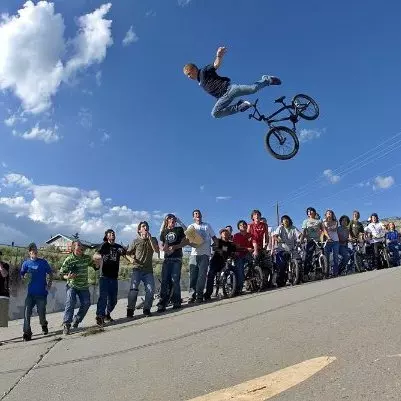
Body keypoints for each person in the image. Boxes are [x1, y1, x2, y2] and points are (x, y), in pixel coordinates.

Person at [183, 46, 281, 119]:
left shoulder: (203, 71)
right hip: (223, 98)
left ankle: (267, 80)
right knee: (215, 113)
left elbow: (215, 65)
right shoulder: (200, 82)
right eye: (187, 75)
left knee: (253, 89)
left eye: (189, 74)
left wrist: (219, 56)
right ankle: (240, 105)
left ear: (194, 69)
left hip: (230, 89)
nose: (189, 77)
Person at [60, 240, 99, 335]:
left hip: (83, 286)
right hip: (72, 285)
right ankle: (66, 324)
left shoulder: (86, 258)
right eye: (78, 246)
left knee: (87, 303)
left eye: (81, 246)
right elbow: (62, 274)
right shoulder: (69, 259)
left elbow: (95, 266)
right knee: (70, 303)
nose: (81, 248)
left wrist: (97, 262)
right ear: (74, 248)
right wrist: (68, 277)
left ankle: (76, 320)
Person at [20, 243, 53, 341]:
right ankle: (27, 333)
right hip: (30, 294)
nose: (35, 251)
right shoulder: (26, 263)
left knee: (41, 313)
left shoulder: (43, 262)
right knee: (26, 312)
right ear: (29, 252)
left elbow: (50, 273)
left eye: (35, 250)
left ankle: (44, 325)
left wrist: (49, 283)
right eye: (32, 250)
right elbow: (22, 274)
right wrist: (23, 278)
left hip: (41, 294)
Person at [93, 229, 126, 326]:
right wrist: (102, 257)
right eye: (110, 233)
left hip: (114, 277)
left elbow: (125, 253)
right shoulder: (104, 245)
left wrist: (124, 250)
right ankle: (100, 316)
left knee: (113, 300)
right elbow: (95, 255)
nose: (113, 234)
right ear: (107, 236)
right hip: (104, 276)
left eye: (114, 233)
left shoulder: (117, 246)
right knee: (103, 297)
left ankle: (107, 314)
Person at [126, 221, 159, 317]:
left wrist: (149, 239)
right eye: (143, 226)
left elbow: (156, 250)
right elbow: (127, 253)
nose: (145, 228)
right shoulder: (135, 241)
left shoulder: (153, 239)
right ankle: (130, 309)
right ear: (139, 230)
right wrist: (131, 259)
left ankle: (147, 309)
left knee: (150, 290)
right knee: (133, 289)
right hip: (137, 269)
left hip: (148, 270)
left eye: (147, 226)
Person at [158, 214, 188, 312]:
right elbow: (161, 245)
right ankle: (162, 303)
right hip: (167, 259)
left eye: (173, 218)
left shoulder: (179, 229)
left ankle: (176, 302)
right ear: (166, 220)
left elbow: (186, 241)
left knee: (175, 280)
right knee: (165, 281)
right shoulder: (164, 232)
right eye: (170, 218)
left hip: (177, 259)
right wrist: (163, 249)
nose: (172, 220)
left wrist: (176, 246)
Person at [187, 209, 217, 303]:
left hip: (205, 254)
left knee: (202, 276)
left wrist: (220, 246)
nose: (197, 215)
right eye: (195, 214)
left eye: (199, 213)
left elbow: (214, 238)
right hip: (194, 254)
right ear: (193, 217)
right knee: (193, 276)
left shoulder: (207, 226)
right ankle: (192, 295)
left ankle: (199, 295)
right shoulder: (191, 226)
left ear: (201, 215)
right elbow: (188, 240)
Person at [204, 228, 240, 300]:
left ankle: (235, 289)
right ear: (221, 234)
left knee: (236, 270)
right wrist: (229, 250)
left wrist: (236, 252)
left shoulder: (231, 244)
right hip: (215, 262)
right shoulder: (217, 241)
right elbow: (215, 247)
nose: (225, 233)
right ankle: (208, 294)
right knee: (211, 275)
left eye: (226, 232)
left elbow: (236, 250)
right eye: (223, 232)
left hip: (225, 262)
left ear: (229, 234)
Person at [273, 215, 302, 285]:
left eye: (287, 219)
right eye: (284, 220)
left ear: (289, 220)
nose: (285, 221)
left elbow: (300, 235)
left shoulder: (293, 228)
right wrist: (279, 240)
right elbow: (274, 236)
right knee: (281, 265)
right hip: (282, 249)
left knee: (298, 261)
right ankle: (280, 280)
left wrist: (301, 240)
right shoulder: (280, 228)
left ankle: (298, 278)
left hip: (292, 248)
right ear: (282, 222)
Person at [301, 207, 324, 277]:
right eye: (308, 211)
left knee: (319, 256)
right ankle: (306, 273)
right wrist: (302, 239)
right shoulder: (305, 221)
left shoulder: (319, 221)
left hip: (318, 241)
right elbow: (304, 232)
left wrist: (325, 238)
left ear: (314, 212)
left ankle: (319, 273)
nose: (310, 212)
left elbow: (323, 230)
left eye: (311, 211)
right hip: (310, 241)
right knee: (308, 257)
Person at [233, 220, 254, 294]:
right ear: (238, 227)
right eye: (241, 225)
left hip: (248, 254)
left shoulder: (250, 235)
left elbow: (254, 244)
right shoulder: (236, 236)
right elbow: (236, 247)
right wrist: (246, 248)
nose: (243, 226)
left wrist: (254, 249)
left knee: (254, 264)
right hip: (239, 255)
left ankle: (253, 284)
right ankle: (239, 288)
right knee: (240, 270)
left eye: (245, 224)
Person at [322, 210, 340, 277]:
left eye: (330, 213)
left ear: (332, 214)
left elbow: (334, 229)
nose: (329, 214)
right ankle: (326, 273)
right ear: (326, 214)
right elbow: (324, 230)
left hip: (335, 241)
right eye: (328, 213)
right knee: (326, 258)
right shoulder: (323, 221)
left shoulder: (335, 221)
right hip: (327, 242)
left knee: (335, 257)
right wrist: (328, 237)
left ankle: (335, 273)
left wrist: (328, 225)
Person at [0, 251, 10, 328]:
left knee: (2, 320)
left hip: (2, 294)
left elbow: (4, 275)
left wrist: (0, 267)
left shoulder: (5, 265)